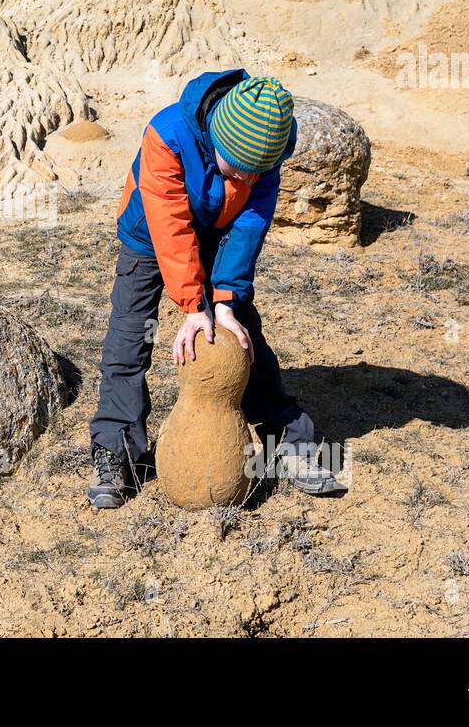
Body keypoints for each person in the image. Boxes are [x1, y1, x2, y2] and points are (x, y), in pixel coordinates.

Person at [87, 70, 345, 509]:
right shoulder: (166, 135)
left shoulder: (270, 148)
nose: (244, 181)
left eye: (253, 174)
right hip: (149, 233)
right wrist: (192, 305)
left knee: (243, 336)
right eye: (235, 169)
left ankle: (288, 441)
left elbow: (249, 225)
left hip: (220, 232)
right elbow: (170, 226)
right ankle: (117, 450)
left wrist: (224, 301)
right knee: (130, 338)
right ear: (214, 137)